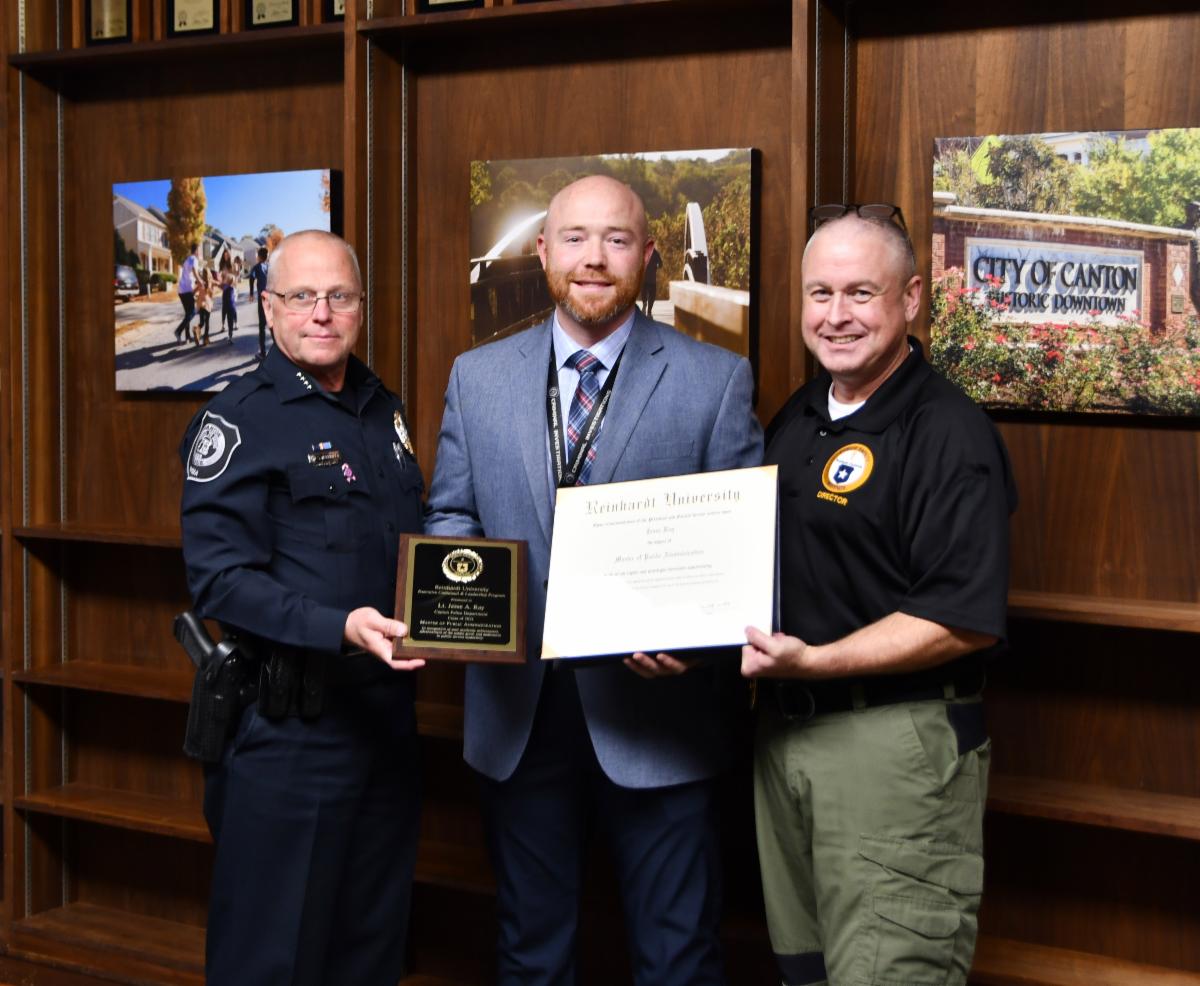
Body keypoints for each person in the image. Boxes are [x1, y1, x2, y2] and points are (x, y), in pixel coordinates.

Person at [426, 175, 763, 986]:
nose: (593, 259)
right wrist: (466, 610)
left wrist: (700, 643)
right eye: (574, 237)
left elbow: (743, 554)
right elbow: (450, 518)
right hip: (519, 720)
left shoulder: (714, 379)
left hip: (661, 724)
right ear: (544, 251)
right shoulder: (477, 377)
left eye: (616, 240)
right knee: (531, 956)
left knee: (677, 957)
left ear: (647, 255)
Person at [742, 205, 1017, 986]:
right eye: (819, 293)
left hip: (894, 749)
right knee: (807, 970)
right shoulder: (797, 420)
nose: (836, 315)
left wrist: (819, 661)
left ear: (911, 298)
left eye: (861, 292)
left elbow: (962, 618)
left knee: (890, 973)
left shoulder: (949, 433)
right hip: (786, 741)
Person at [179, 229, 426, 985]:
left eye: (339, 296)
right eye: (301, 297)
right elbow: (220, 580)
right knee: (274, 960)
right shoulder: (239, 418)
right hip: (290, 735)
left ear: (361, 307)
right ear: (269, 307)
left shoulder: (382, 408)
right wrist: (339, 628)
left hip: (385, 724)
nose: (321, 313)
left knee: (370, 951)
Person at [174, 241, 200, 344]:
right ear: (197, 250)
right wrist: (201, 281)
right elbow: (195, 272)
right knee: (192, 312)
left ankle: (187, 337)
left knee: (188, 314)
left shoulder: (187, 260)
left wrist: (197, 282)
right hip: (187, 290)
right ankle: (178, 331)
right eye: (199, 250)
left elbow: (191, 274)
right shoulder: (194, 259)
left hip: (181, 290)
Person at [250, 245, 271, 359]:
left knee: (262, 326)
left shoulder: (257, 267)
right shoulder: (270, 267)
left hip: (263, 299)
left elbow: (251, 277)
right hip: (272, 298)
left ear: (258, 256)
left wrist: (251, 293)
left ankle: (263, 353)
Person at [219, 253, 238, 340]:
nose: (225, 256)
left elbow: (236, 275)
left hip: (231, 286)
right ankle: (223, 325)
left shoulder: (233, 265)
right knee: (225, 307)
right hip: (225, 287)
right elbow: (220, 277)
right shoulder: (222, 265)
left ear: (229, 256)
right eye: (224, 255)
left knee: (232, 307)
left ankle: (235, 323)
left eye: (227, 255)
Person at [640, 245, 663, 316]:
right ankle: (649, 311)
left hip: (643, 278)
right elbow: (661, 264)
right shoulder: (655, 253)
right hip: (652, 278)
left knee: (643, 292)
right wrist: (656, 267)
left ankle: (644, 303)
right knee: (652, 295)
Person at [193, 266, 213, 346]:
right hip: (207, 304)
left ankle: (196, 329)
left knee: (201, 322)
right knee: (207, 322)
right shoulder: (210, 282)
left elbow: (193, 292)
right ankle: (205, 339)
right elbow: (211, 294)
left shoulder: (200, 283)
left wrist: (196, 297)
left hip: (200, 304)